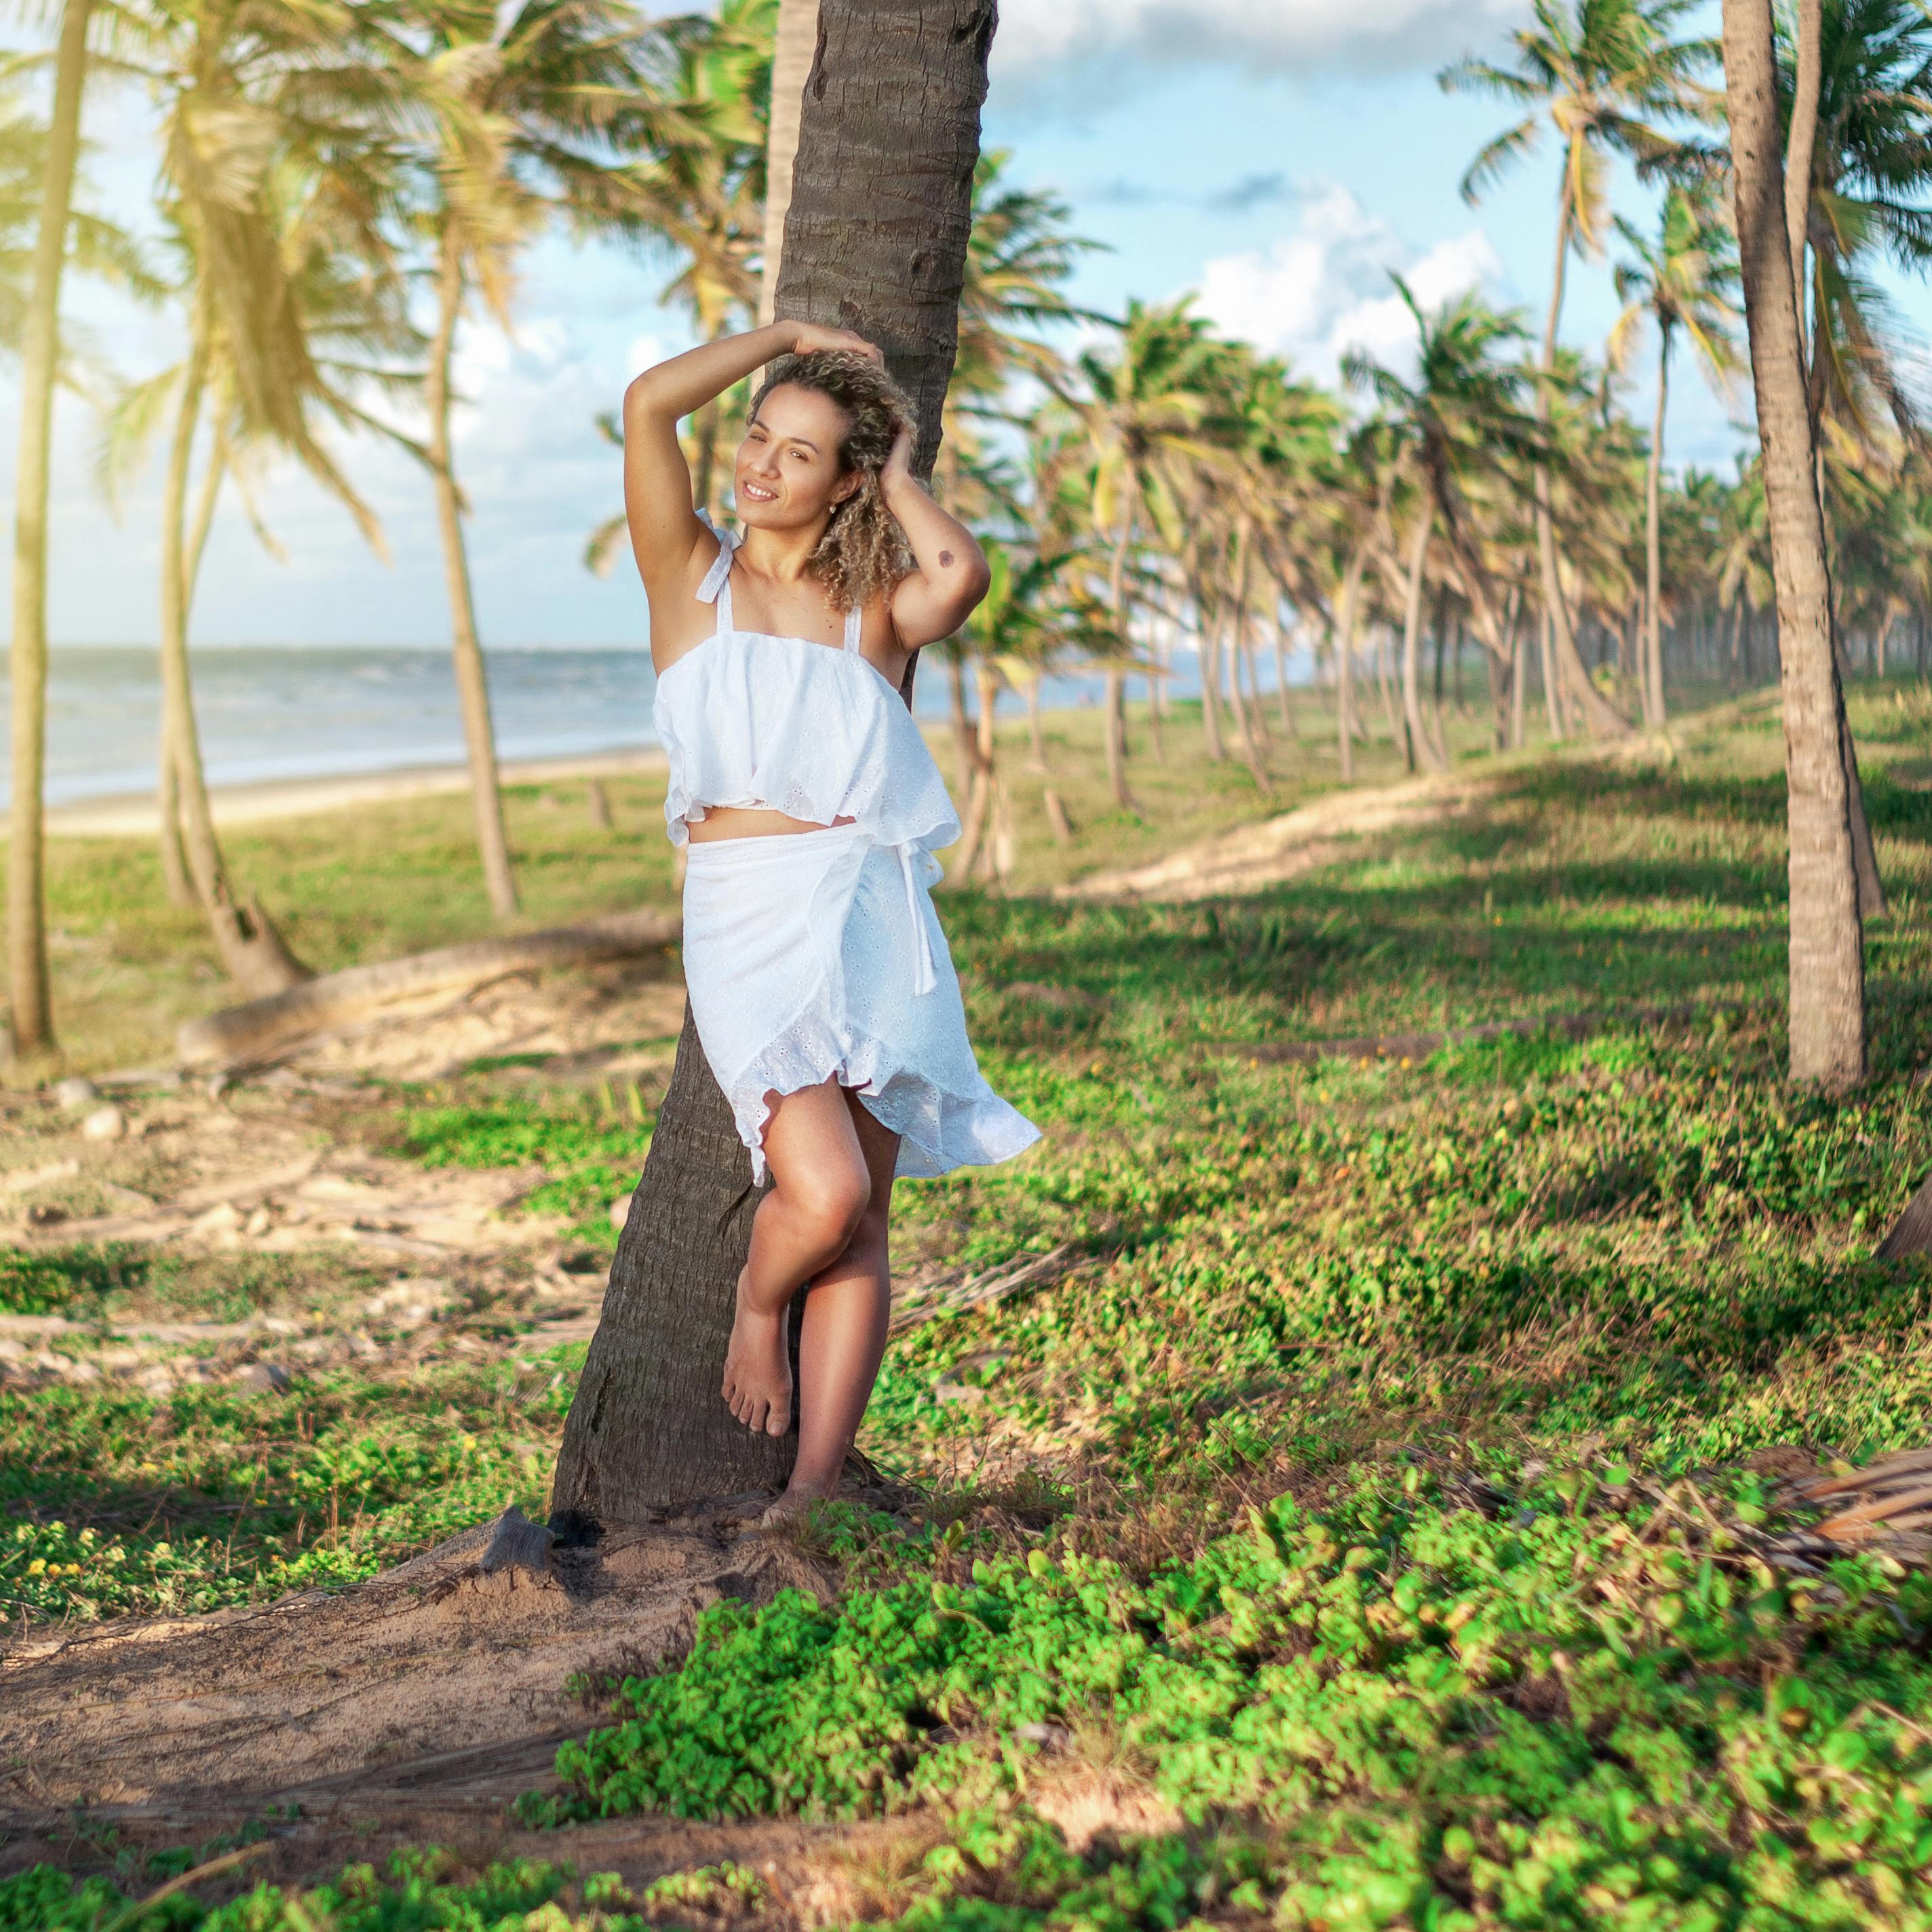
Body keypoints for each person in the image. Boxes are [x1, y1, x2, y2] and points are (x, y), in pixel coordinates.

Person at [621, 320, 1041, 1524]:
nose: (759, 465)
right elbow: (651, 406)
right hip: (745, 918)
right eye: (757, 436)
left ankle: (809, 1491)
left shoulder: (876, 613)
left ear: (843, 481)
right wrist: (789, 337)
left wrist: (902, 474)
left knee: (866, 1215)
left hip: (868, 911)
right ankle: (758, 1308)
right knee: (823, 1193)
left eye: (799, 453)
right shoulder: (692, 578)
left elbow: (960, 577)